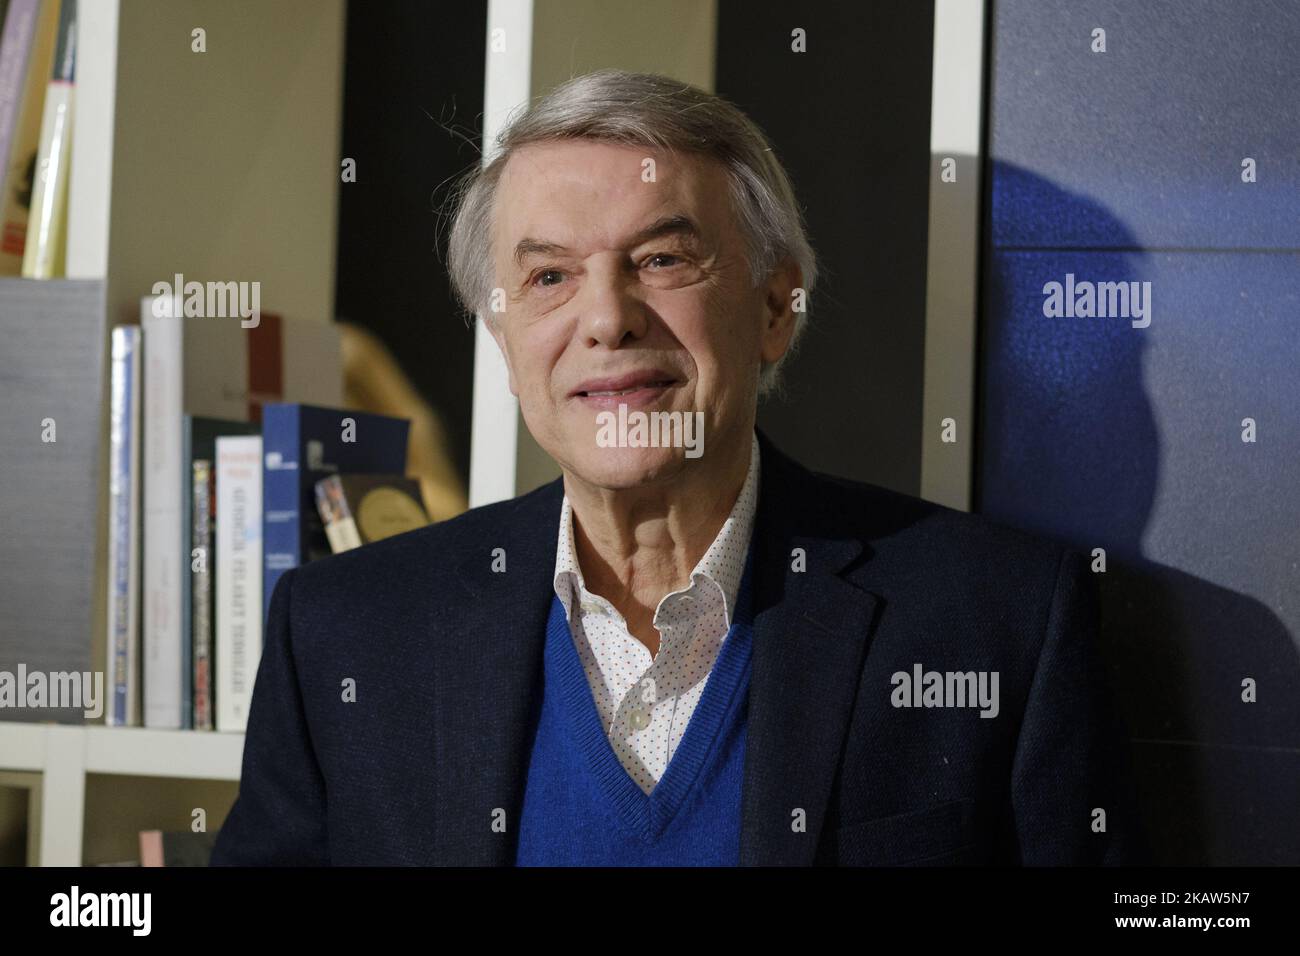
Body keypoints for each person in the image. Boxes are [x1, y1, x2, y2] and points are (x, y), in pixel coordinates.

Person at [211, 70, 1142, 866]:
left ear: (778, 308)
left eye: (662, 259)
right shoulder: (345, 634)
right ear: (502, 338)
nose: (607, 318)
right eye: (548, 278)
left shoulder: (999, 621)